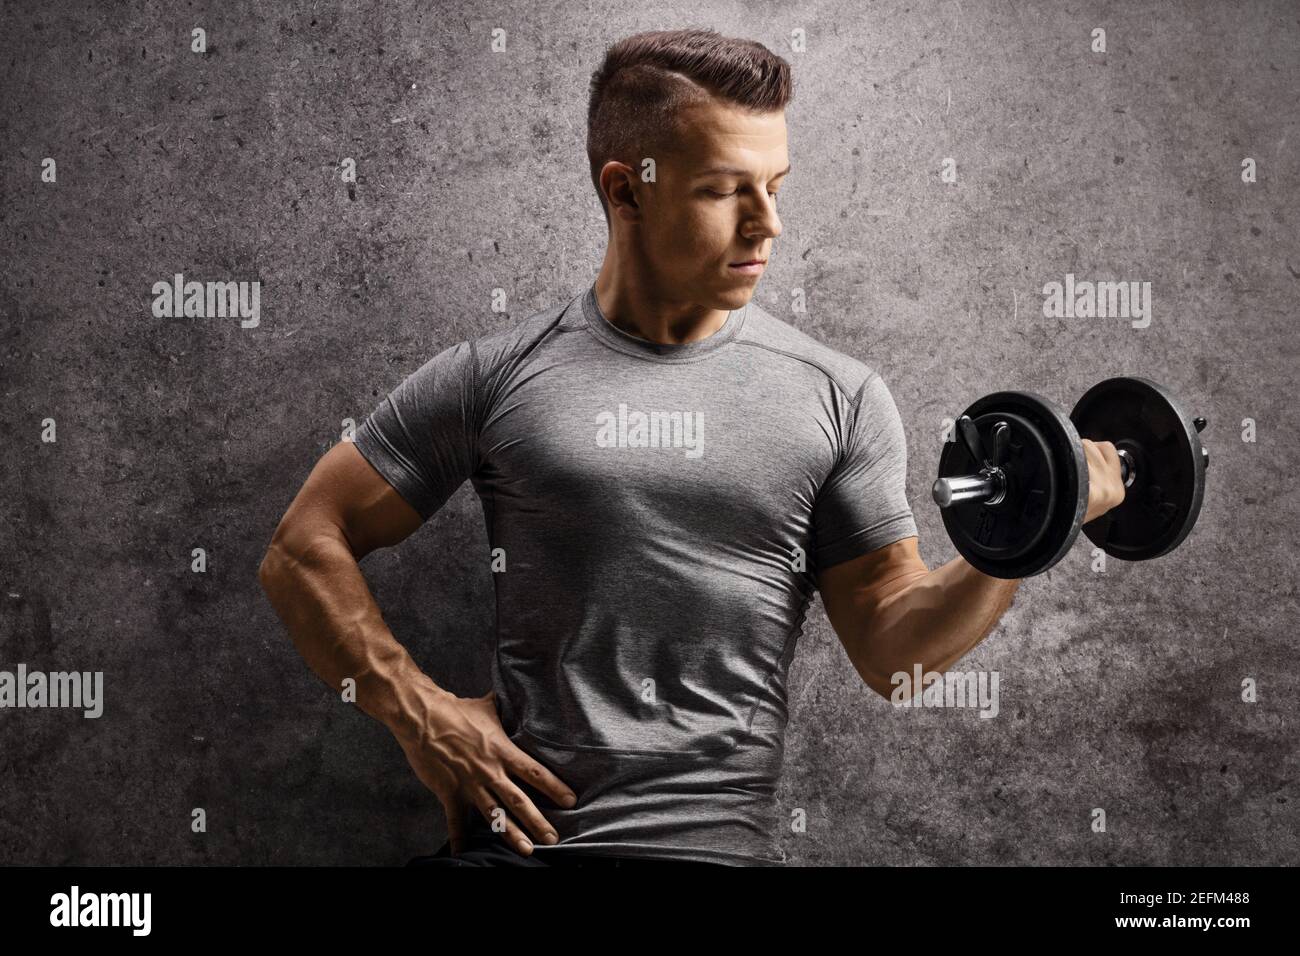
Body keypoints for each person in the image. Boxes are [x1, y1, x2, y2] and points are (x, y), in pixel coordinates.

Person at [258, 28, 1126, 867]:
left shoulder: (840, 397)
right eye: (725, 191)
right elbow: (301, 547)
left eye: (776, 186)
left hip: (706, 858)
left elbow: (892, 651)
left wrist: (1027, 535)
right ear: (625, 190)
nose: (767, 226)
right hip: (523, 850)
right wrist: (423, 715)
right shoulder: (495, 375)